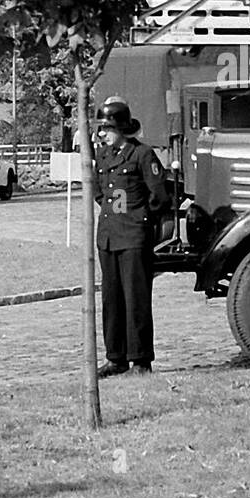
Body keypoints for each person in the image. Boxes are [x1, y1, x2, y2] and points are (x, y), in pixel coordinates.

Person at [93, 97, 170, 377]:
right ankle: (116, 357)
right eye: (100, 128)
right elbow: (99, 192)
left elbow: (158, 196)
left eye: (106, 128)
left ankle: (140, 359)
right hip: (109, 237)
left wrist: (140, 219)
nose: (102, 134)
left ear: (121, 128)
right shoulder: (103, 156)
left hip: (134, 237)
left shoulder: (142, 155)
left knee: (136, 299)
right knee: (111, 300)